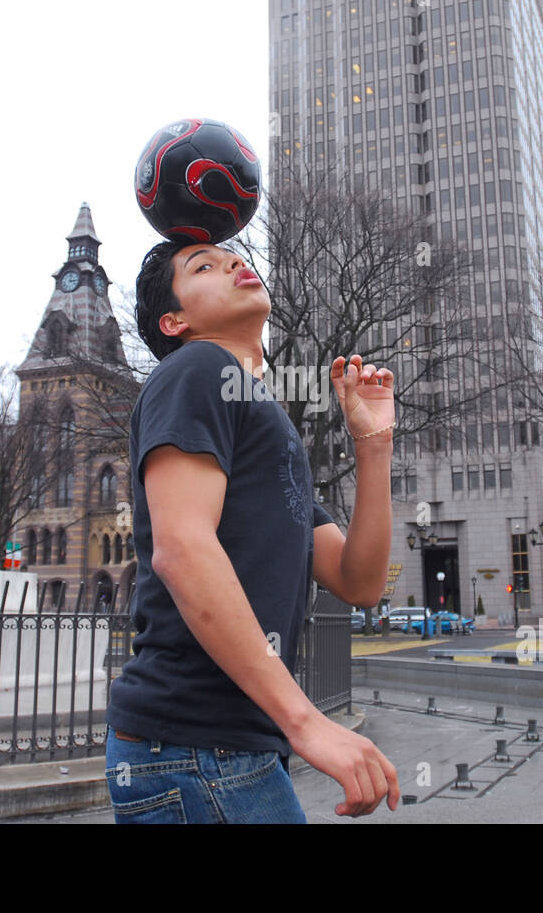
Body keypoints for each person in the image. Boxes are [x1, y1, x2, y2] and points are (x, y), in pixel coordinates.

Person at [105, 239, 401, 824]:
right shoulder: (195, 368)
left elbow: (358, 581)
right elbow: (182, 548)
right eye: (204, 267)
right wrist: (306, 722)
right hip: (196, 747)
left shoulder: (261, 416)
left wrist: (374, 446)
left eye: (233, 257)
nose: (235, 263)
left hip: (220, 752)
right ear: (175, 321)